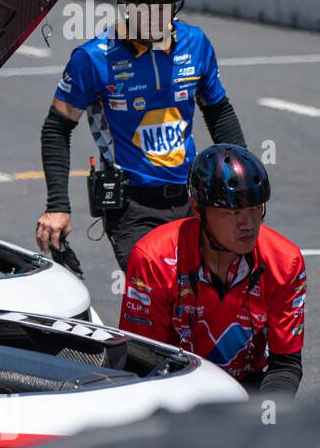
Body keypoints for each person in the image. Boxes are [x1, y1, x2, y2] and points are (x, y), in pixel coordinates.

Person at [36, 0, 247, 271]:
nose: (154, 20)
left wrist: (242, 182)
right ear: (126, 6)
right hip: (131, 208)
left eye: (163, 10)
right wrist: (57, 206)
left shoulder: (196, 43)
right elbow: (57, 128)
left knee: (205, 294)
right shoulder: (94, 57)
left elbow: (218, 111)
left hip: (192, 198)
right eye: (144, 10)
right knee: (156, 293)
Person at [119, 144, 304, 398]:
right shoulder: (153, 258)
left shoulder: (285, 261)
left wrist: (265, 421)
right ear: (197, 209)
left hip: (246, 387)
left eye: (255, 208)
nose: (249, 225)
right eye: (233, 212)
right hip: (174, 386)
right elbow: (140, 361)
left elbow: (286, 365)